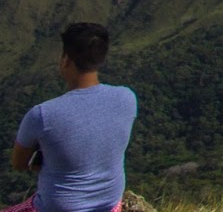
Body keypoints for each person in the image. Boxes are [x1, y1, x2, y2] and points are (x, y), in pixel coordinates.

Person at [7, 22, 137, 212]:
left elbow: (19, 164)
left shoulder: (42, 115)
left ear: (65, 60)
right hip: (110, 205)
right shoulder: (127, 98)